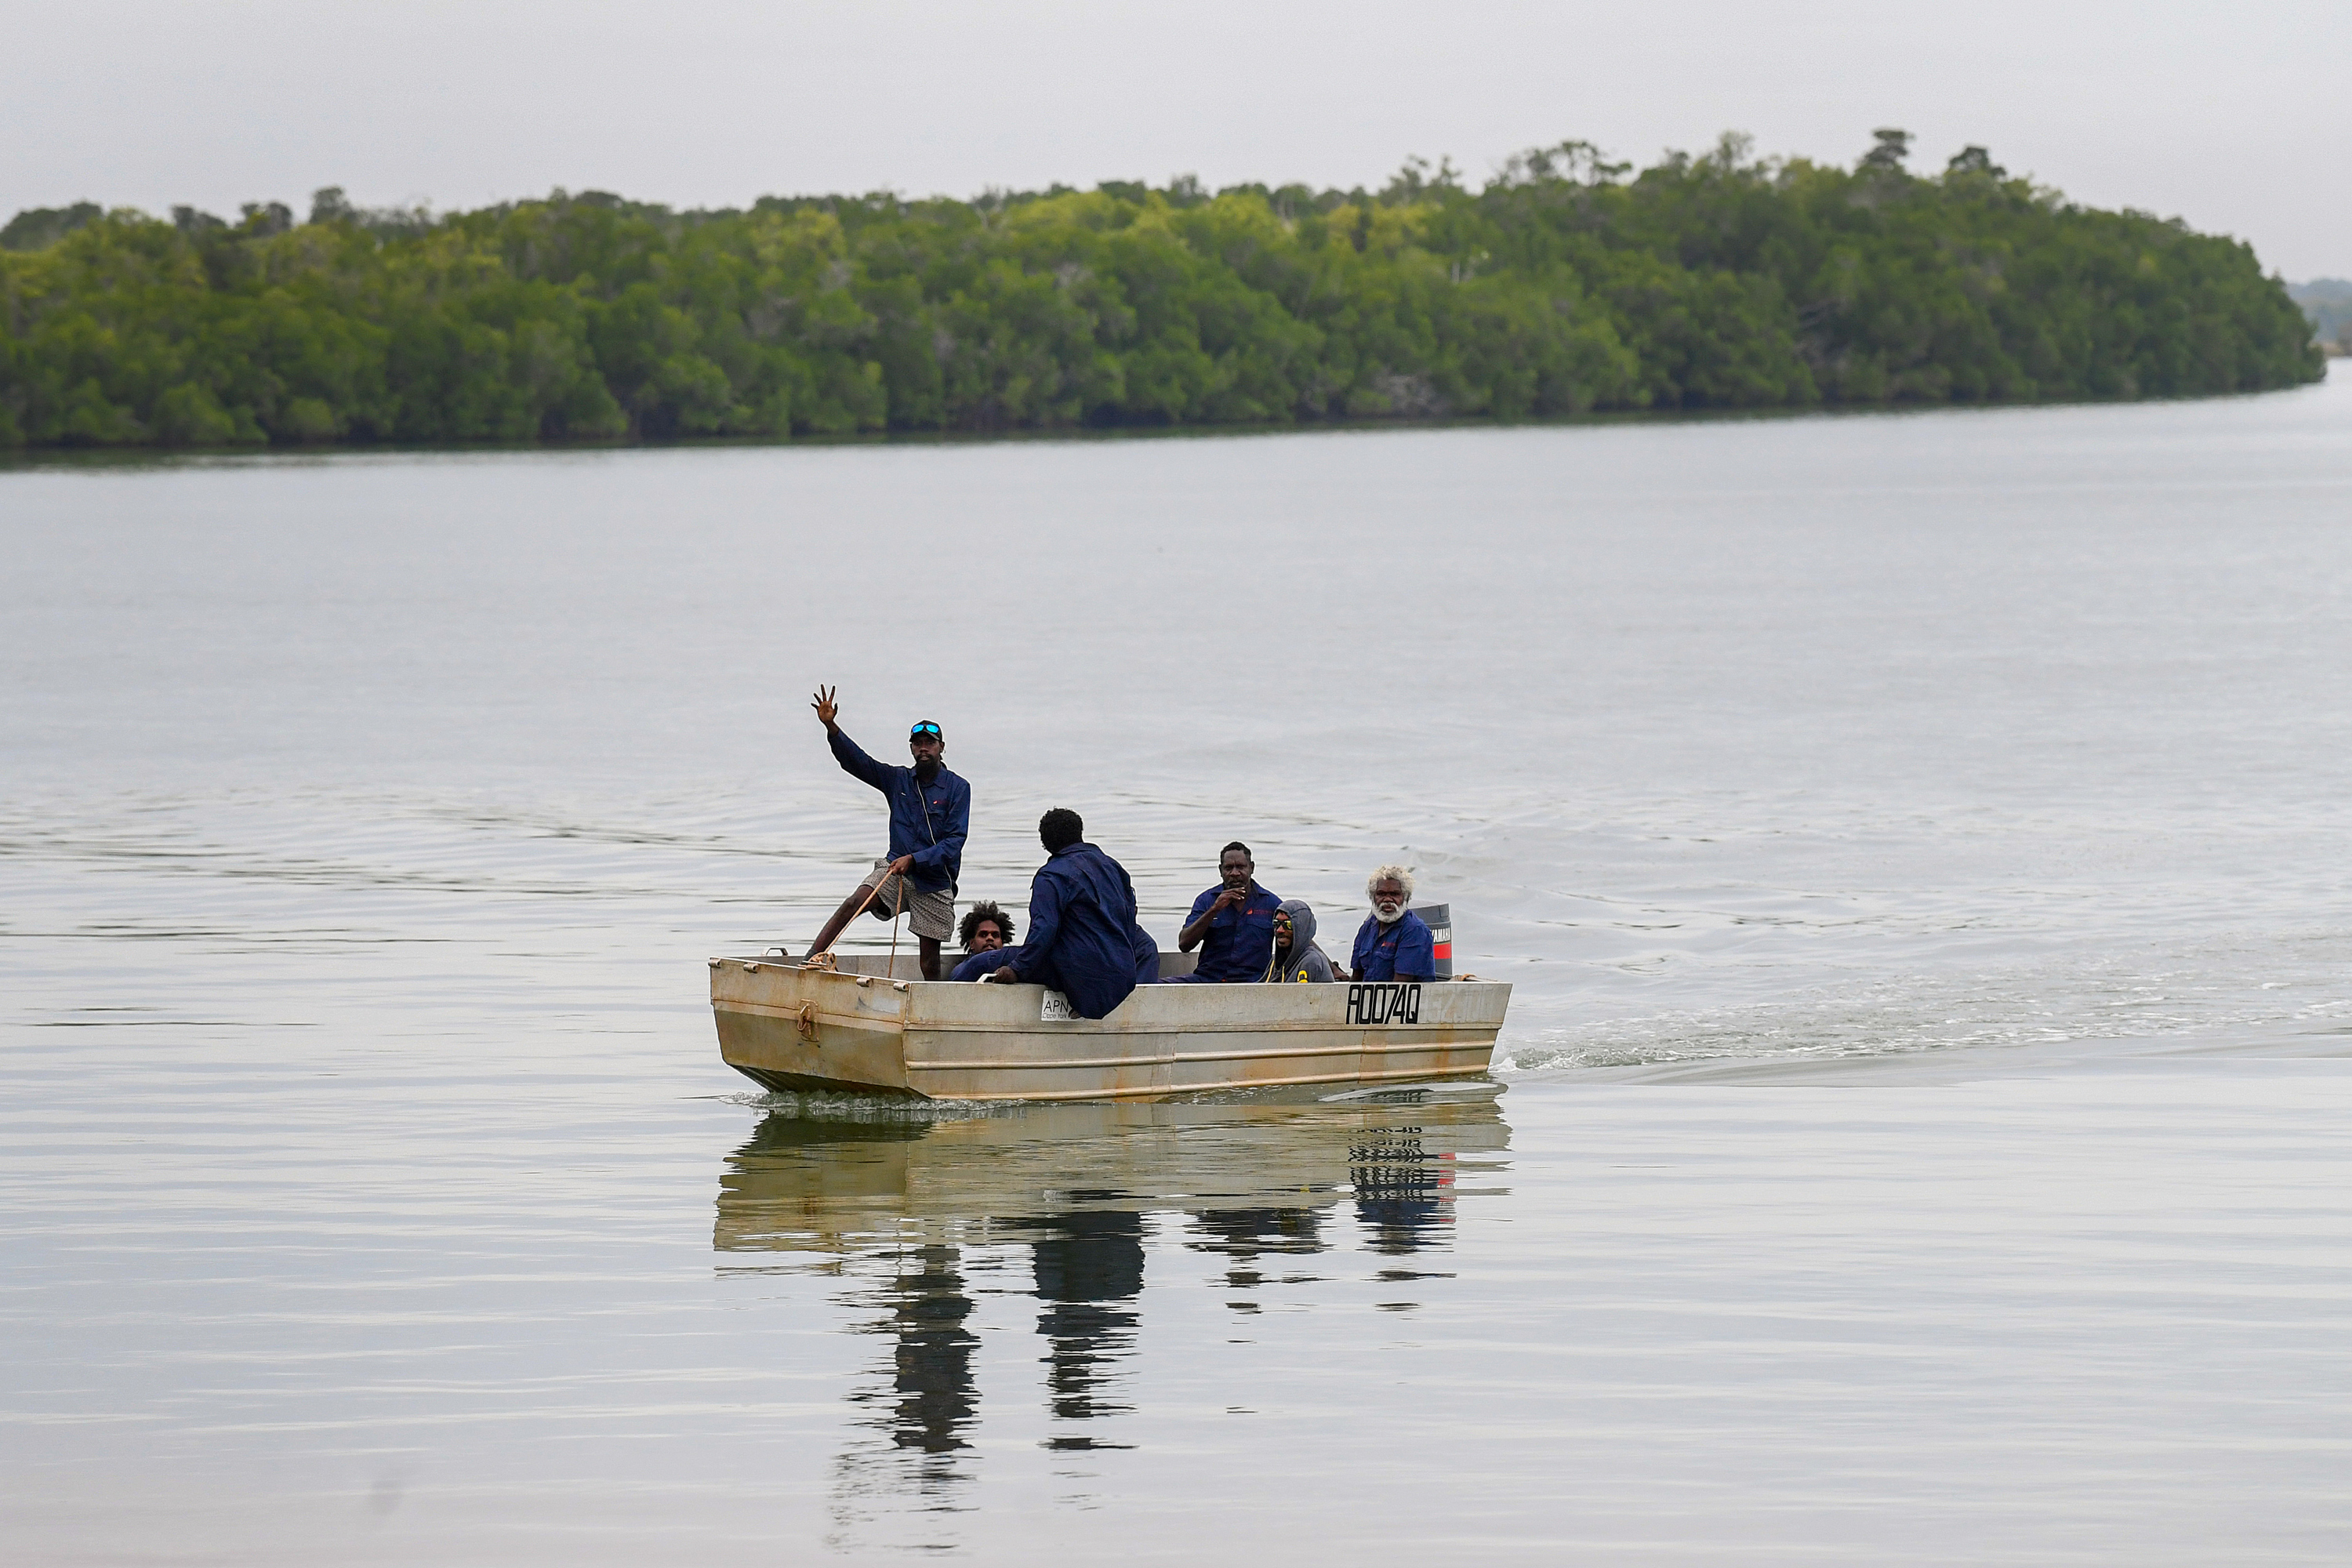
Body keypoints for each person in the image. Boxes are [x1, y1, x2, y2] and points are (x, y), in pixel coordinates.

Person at [799, 685, 969, 981]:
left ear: (942, 747)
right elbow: (858, 763)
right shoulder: (898, 779)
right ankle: (808, 961)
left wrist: (915, 860)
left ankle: (932, 1005)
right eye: (918, 744)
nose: (923, 748)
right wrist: (832, 728)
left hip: (935, 881)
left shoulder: (958, 788)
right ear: (911, 748)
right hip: (895, 872)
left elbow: (954, 842)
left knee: (929, 963)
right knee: (857, 901)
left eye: (930, 743)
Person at [984, 809, 1149, 1018]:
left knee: (984, 962)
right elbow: (1129, 918)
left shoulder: (1052, 875)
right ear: (1080, 833)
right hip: (1122, 979)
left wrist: (1016, 970)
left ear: (1045, 843)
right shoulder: (1114, 868)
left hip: (1082, 979)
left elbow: (1045, 929)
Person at [1167, 841, 1282, 984]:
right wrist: (1215, 909)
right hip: (1208, 980)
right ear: (1221, 871)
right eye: (1229, 868)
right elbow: (1184, 945)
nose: (1234, 873)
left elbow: (1299, 936)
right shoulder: (1206, 900)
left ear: (1251, 868)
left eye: (1240, 867)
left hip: (1255, 983)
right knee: (1155, 986)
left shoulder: (1271, 903)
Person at [1349, 865, 1436, 982]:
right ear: (1373, 897)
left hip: (1403, 998)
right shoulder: (1368, 927)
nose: (1388, 900)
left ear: (1406, 898)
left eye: (1394, 894)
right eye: (1381, 894)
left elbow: (1399, 987)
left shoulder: (1415, 931)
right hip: (1371, 998)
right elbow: (1356, 979)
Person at [1261, 899, 1338, 983]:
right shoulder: (1275, 961)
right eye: (1276, 923)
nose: (1280, 930)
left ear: (1302, 929)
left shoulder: (1312, 961)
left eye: (1288, 925)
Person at [947, 902, 1015, 983]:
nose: (990, 938)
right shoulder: (965, 967)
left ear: (1002, 943)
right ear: (972, 944)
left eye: (995, 935)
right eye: (983, 935)